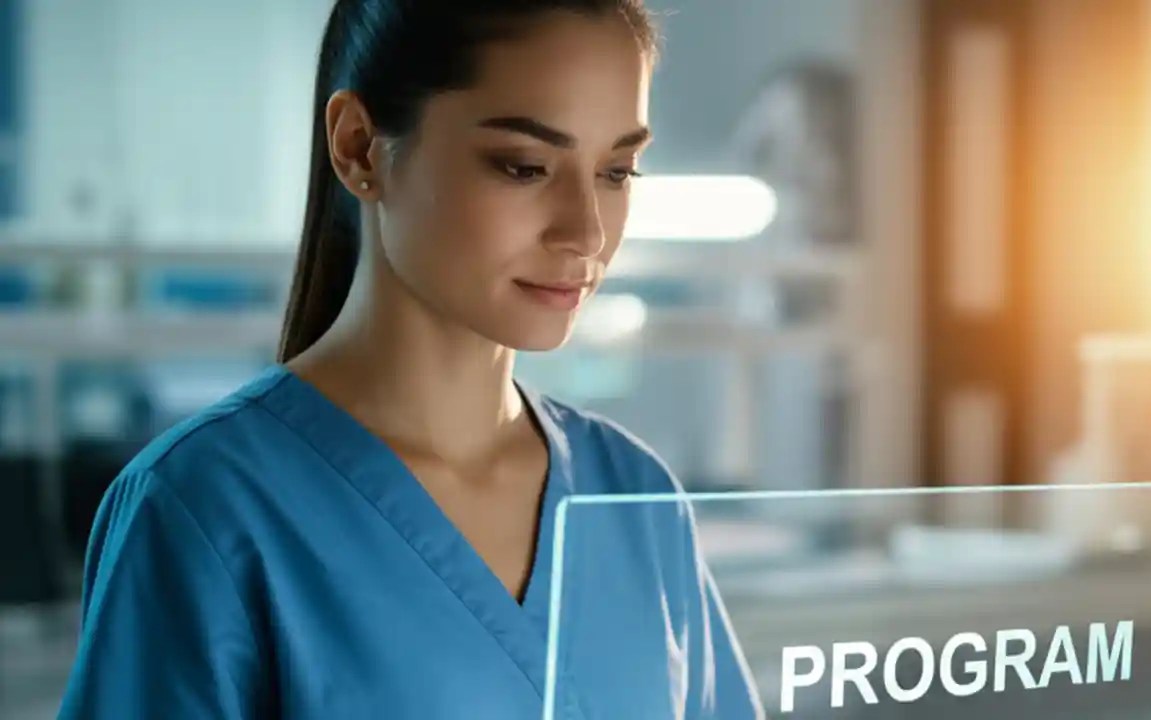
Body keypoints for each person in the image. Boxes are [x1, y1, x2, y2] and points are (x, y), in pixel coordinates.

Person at [57, 1, 763, 717]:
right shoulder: (206, 508)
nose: (586, 232)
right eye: (524, 167)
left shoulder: (634, 498)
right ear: (360, 148)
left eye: (617, 171)